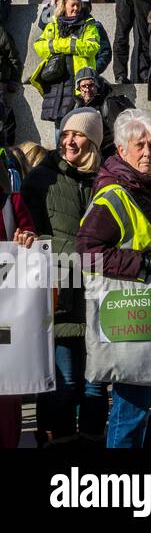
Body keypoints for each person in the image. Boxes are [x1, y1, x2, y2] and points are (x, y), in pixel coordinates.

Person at [74, 108, 151, 448]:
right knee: (132, 413)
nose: (147, 152)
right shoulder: (114, 194)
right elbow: (85, 253)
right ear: (121, 149)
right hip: (136, 318)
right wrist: (144, 263)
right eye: (139, 144)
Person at [26, 109, 107, 444]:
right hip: (59, 296)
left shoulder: (107, 179)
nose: (69, 141)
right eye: (65, 134)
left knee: (96, 384)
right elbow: (27, 232)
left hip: (100, 296)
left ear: (94, 141)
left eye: (78, 134)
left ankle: (91, 443)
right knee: (66, 383)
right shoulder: (40, 178)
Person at [28, 0, 109, 124]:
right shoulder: (53, 23)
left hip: (80, 79)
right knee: (59, 124)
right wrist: (71, 44)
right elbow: (39, 45)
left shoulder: (88, 24)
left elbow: (92, 47)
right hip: (57, 80)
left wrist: (60, 44)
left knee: (79, 123)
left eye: (78, 5)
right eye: (73, 5)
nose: (76, 8)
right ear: (64, 6)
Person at [0, 174, 36, 449]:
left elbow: (32, 246)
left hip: (6, 314)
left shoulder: (12, 202)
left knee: (6, 395)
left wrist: (26, 240)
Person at [72, 68, 134, 156]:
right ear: (78, 88)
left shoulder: (108, 103)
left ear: (97, 85)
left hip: (107, 153)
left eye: (91, 85)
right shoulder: (77, 105)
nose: (87, 89)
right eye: (83, 86)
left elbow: (118, 132)